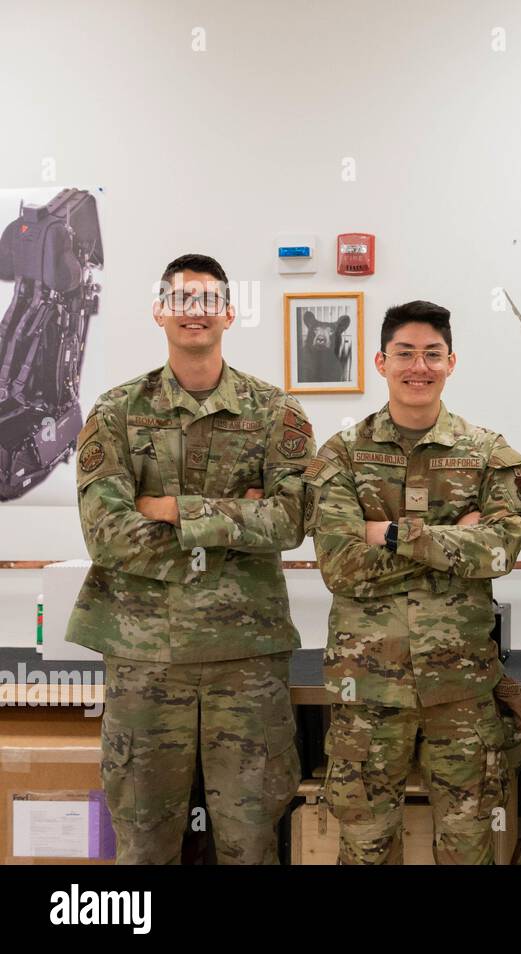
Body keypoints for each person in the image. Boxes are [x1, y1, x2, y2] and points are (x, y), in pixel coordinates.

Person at [70, 253, 314, 864]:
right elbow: (107, 534)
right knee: (144, 842)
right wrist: (234, 516)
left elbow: (289, 521)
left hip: (247, 658)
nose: (194, 312)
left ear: (230, 313)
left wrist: (171, 509)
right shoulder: (115, 413)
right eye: (181, 299)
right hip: (146, 657)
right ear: (160, 312)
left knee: (251, 840)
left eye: (208, 301)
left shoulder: (275, 413)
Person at [306, 300, 521, 864]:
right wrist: (451, 539)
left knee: (467, 849)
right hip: (368, 691)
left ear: (451, 363)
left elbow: (501, 552)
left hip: (461, 688)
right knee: (364, 850)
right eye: (405, 353)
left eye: (432, 354)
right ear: (381, 361)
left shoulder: (486, 455)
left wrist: (387, 533)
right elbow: (340, 565)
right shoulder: (342, 455)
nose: (419, 366)